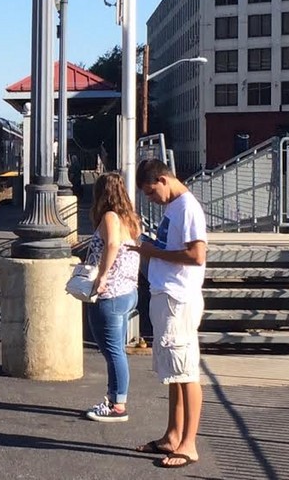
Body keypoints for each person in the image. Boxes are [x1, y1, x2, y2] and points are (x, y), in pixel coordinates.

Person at [130, 158, 207, 469]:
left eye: (150, 192)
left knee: (186, 371)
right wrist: (148, 245)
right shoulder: (173, 208)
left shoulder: (187, 208)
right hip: (167, 297)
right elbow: (173, 247)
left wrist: (152, 252)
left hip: (179, 300)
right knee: (174, 372)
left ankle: (189, 444)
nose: (151, 199)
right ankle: (173, 435)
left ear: (163, 180)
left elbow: (196, 255)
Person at [83, 172, 141, 422]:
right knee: (115, 349)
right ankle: (113, 398)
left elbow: (112, 245)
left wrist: (102, 276)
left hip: (111, 293)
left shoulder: (110, 217)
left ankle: (118, 405)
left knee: (113, 350)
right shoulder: (130, 219)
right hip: (128, 291)